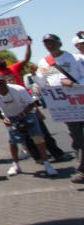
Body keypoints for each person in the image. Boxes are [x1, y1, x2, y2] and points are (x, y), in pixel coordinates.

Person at [35, 33, 84, 183]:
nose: (49, 45)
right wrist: (39, 87)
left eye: (51, 42)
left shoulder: (75, 58)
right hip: (66, 107)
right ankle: (82, 171)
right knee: (77, 139)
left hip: (80, 100)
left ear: (59, 42)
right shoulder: (44, 63)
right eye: (46, 43)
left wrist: (73, 83)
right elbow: (42, 81)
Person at [0, 75, 57, 177]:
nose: (1, 85)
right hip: (10, 117)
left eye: (2, 82)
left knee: (37, 138)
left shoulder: (18, 89)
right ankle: (16, 164)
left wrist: (23, 114)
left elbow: (31, 103)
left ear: (6, 82)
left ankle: (47, 163)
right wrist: (3, 118)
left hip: (27, 113)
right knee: (13, 141)